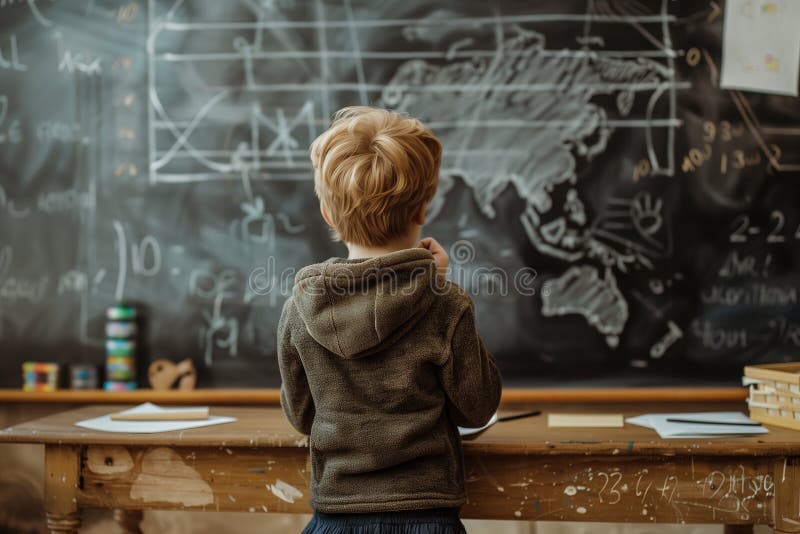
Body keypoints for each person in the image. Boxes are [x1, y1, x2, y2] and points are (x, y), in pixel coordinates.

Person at [278, 106, 502, 534]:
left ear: (328, 214)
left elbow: (301, 416)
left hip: (334, 515)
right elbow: (477, 407)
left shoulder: (298, 312)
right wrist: (432, 284)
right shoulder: (445, 305)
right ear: (422, 210)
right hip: (428, 516)